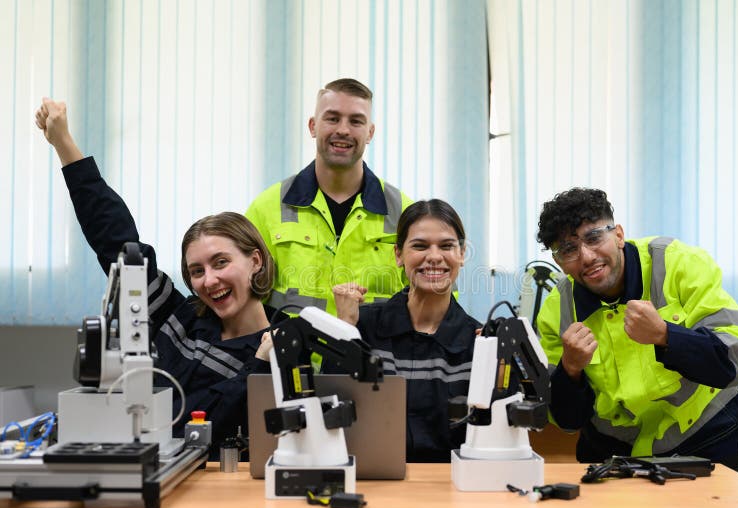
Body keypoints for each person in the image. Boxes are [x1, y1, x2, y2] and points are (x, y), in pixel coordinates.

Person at [36, 98, 282, 457]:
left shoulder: (279, 346)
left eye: (220, 262)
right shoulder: (175, 317)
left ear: (255, 260)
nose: (209, 280)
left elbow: (212, 426)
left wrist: (260, 365)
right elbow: (114, 237)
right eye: (196, 271)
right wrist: (64, 144)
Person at [535, 188, 738, 467]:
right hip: (613, 448)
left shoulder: (678, 263)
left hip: (703, 436)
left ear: (618, 235)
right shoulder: (557, 310)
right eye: (568, 249)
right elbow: (567, 421)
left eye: (594, 238)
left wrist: (666, 336)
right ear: (558, 261)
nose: (587, 257)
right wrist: (570, 370)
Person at [245, 78, 413, 318]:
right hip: (289, 355)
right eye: (332, 118)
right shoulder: (265, 209)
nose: (343, 130)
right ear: (313, 126)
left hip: (376, 355)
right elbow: (244, 299)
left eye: (356, 121)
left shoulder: (405, 212)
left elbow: (433, 298)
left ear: (370, 132)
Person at [332, 199, 479, 463]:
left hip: (453, 488)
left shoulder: (480, 341)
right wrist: (343, 328)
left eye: (446, 246)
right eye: (420, 246)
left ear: (462, 254)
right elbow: (331, 412)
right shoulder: (360, 326)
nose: (434, 257)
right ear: (398, 255)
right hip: (372, 481)